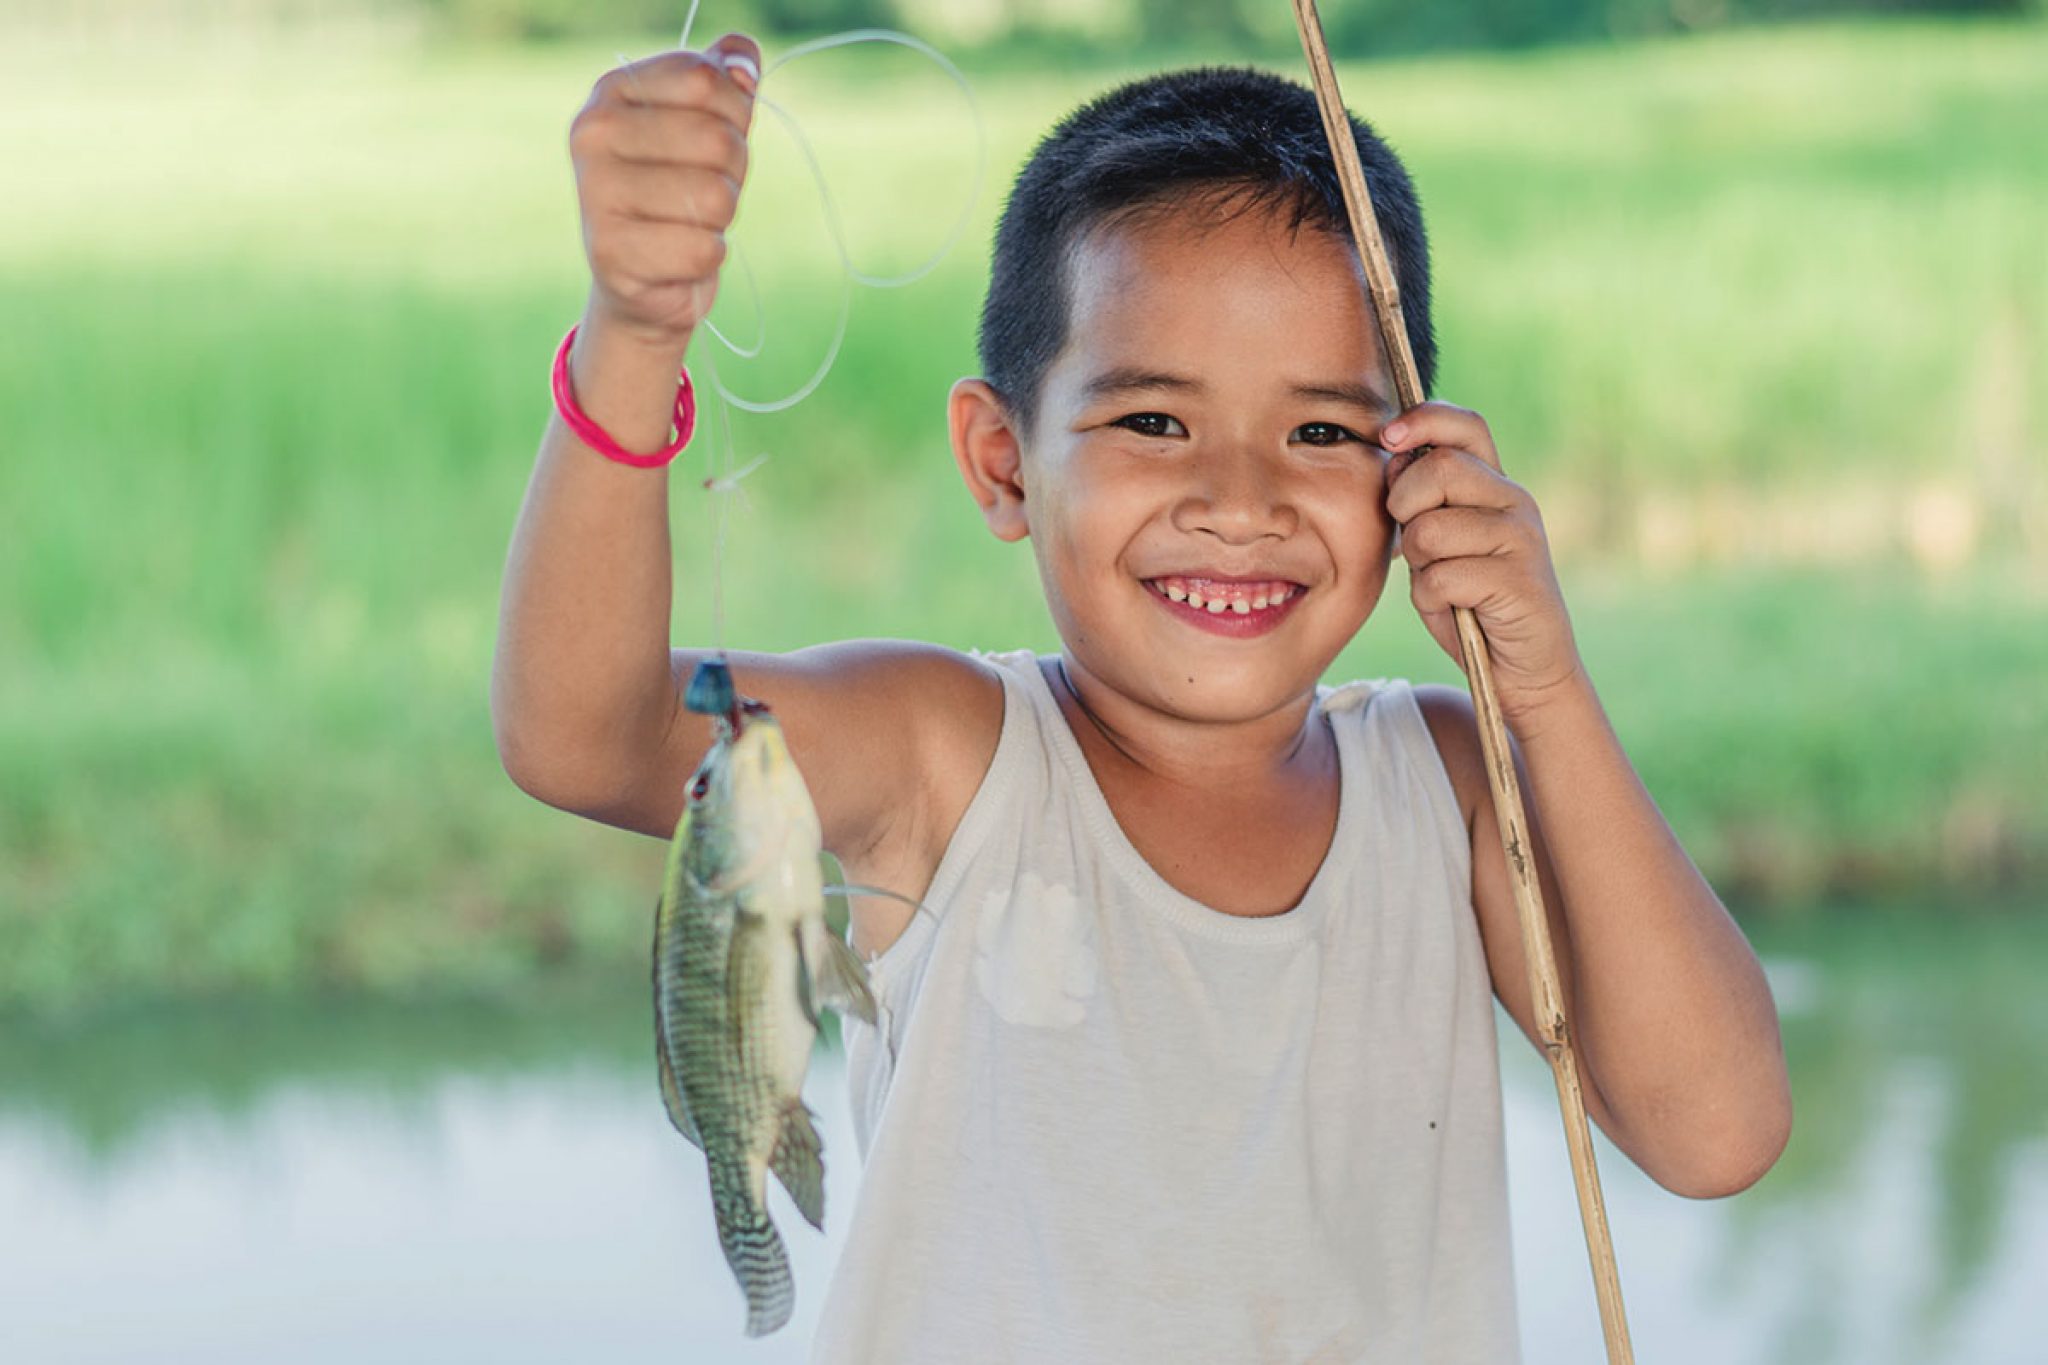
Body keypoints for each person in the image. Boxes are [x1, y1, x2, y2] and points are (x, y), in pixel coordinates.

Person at [492, 30, 1793, 1363]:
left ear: (1417, 474)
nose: (1240, 500)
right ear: (1003, 462)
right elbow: (583, 736)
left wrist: (1546, 691)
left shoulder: (1460, 784)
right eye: (1154, 422)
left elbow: (1716, 1131)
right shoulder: (950, 758)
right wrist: (635, 336)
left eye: (1324, 432)